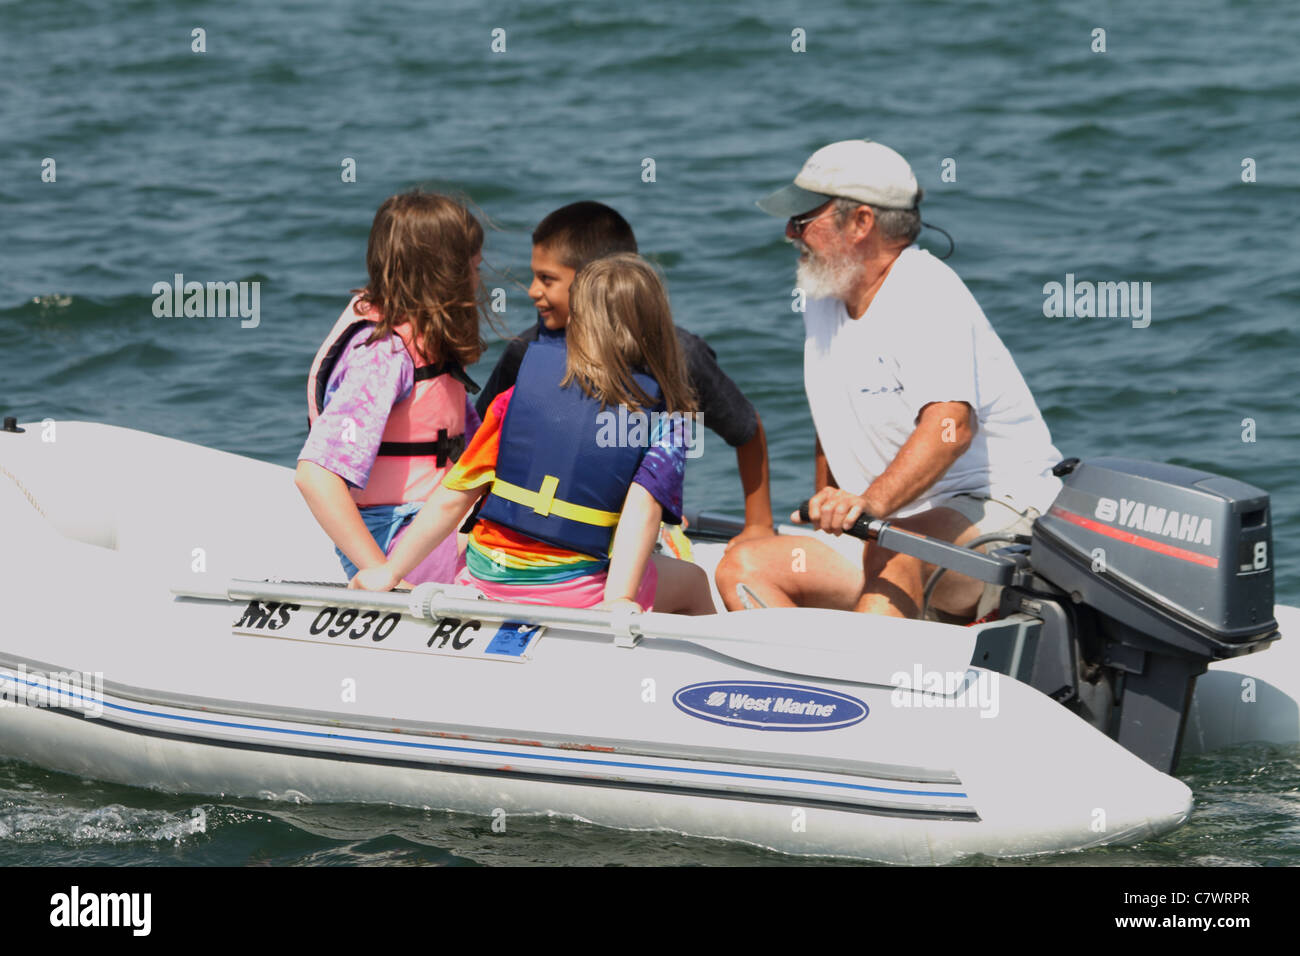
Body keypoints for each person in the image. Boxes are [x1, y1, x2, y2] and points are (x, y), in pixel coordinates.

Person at [717, 139, 1063, 620]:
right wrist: (831, 508)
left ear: (861, 222)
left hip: (1001, 517)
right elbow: (833, 424)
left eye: (802, 220)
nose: (788, 233)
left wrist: (867, 505)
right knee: (744, 566)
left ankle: (870, 685)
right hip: (885, 526)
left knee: (893, 550)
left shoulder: (926, 292)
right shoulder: (825, 294)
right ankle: (813, 686)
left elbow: (951, 428)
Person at [351, 254, 716, 615]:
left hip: (484, 576)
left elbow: (454, 495)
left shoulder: (519, 394)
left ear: (577, 319)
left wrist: (390, 570)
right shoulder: (661, 418)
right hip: (575, 592)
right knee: (694, 581)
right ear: (658, 328)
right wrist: (617, 602)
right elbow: (641, 511)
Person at [476, 201, 775, 551]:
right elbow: (482, 436)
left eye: (547, 279)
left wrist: (759, 525)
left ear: (596, 281)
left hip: (639, 532)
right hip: (534, 533)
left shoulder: (679, 355)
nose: (532, 291)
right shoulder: (527, 354)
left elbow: (745, 428)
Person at [296, 190, 487, 585]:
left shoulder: (426, 345)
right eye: (473, 268)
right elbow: (315, 476)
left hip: (432, 521)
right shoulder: (384, 356)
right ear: (444, 276)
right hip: (394, 538)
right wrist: (381, 573)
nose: (478, 280)